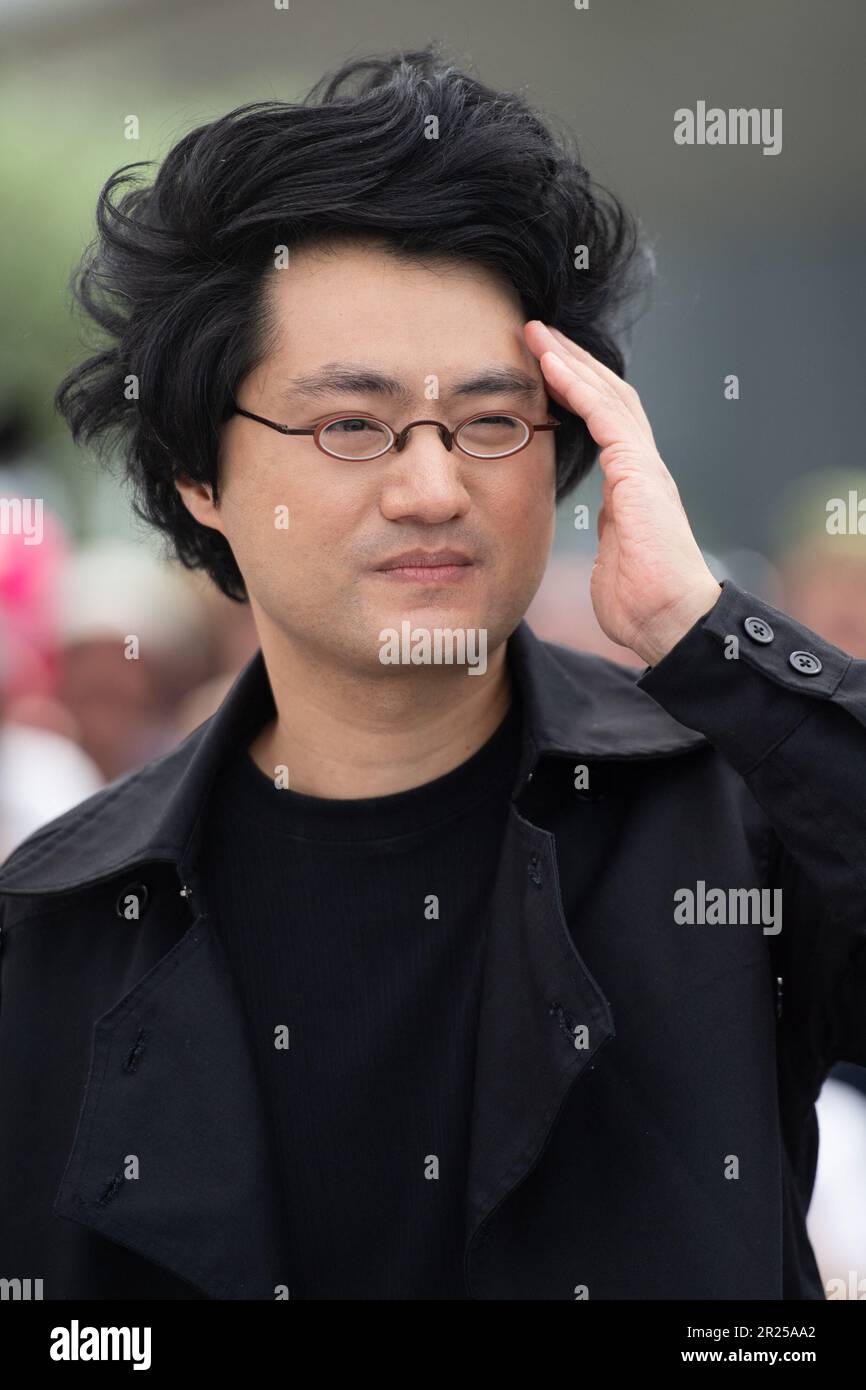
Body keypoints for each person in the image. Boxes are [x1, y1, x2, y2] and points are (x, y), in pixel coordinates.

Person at [1, 47, 865, 1302]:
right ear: (200, 474)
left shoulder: (732, 826)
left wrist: (704, 630)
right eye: (349, 424)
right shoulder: (59, 925)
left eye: (490, 420)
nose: (430, 486)